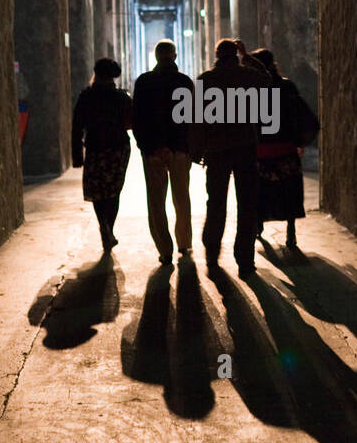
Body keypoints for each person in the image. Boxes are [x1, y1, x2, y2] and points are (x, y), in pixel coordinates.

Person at [189, 38, 272, 279]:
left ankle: (212, 255)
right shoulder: (248, 75)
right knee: (247, 205)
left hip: (216, 150)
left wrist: (196, 151)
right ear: (235, 54)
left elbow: (196, 120)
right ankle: (245, 261)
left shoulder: (205, 80)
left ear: (216, 55)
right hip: (245, 146)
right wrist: (248, 57)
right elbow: (268, 80)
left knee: (215, 203)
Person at [133, 40, 194, 265]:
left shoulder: (144, 82)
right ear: (174, 56)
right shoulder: (184, 82)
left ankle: (165, 250)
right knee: (181, 198)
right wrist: (188, 146)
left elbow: (138, 118)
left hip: (153, 151)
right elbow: (190, 118)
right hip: (179, 149)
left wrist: (147, 146)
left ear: (157, 57)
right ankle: (184, 243)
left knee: (156, 202)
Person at [251, 49, 319, 250]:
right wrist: (299, 142)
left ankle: (259, 225)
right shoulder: (287, 87)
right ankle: (290, 231)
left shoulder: (253, 91)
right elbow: (301, 116)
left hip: (261, 151)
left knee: (261, 191)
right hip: (286, 150)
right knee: (289, 190)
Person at [71, 57, 133, 254]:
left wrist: (76, 154)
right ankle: (110, 228)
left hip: (95, 147)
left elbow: (77, 126)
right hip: (118, 148)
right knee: (114, 190)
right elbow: (132, 122)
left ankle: (103, 226)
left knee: (98, 191)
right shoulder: (122, 97)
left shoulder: (86, 96)